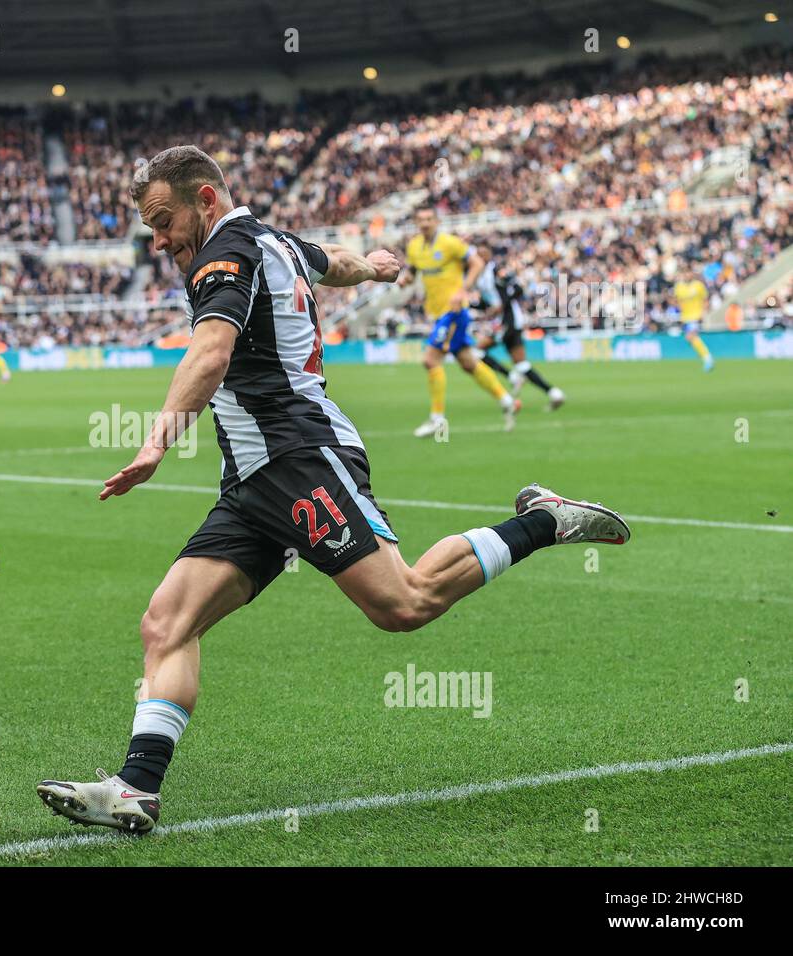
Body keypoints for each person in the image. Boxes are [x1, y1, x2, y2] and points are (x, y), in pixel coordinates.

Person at [36, 146, 631, 834]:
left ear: (205, 200)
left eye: (164, 221)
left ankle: (543, 522)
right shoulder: (275, 241)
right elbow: (335, 261)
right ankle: (137, 790)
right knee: (167, 623)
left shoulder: (224, 255)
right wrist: (372, 267)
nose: (159, 240)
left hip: (297, 457)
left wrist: (155, 442)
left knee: (403, 604)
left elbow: (210, 353)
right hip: (253, 481)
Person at [401, 206, 519, 436]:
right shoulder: (414, 246)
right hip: (436, 312)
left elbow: (477, 263)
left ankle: (437, 419)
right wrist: (404, 280)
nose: (425, 223)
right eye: (421, 219)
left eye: (429, 219)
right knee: (467, 361)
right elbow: (413, 272)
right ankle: (506, 400)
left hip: (454, 311)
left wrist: (462, 290)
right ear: (416, 222)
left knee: (431, 360)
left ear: (436, 221)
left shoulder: (450, 243)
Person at [474, 251, 565, 411]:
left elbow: (517, 289)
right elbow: (487, 303)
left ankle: (512, 377)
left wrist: (501, 305)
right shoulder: (479, 277)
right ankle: (554, 393)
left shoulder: (496, 271)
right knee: (522, 365)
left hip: (508, 321)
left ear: (487, 256)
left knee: (477, 352)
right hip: (506, 322)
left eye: (482, 255)